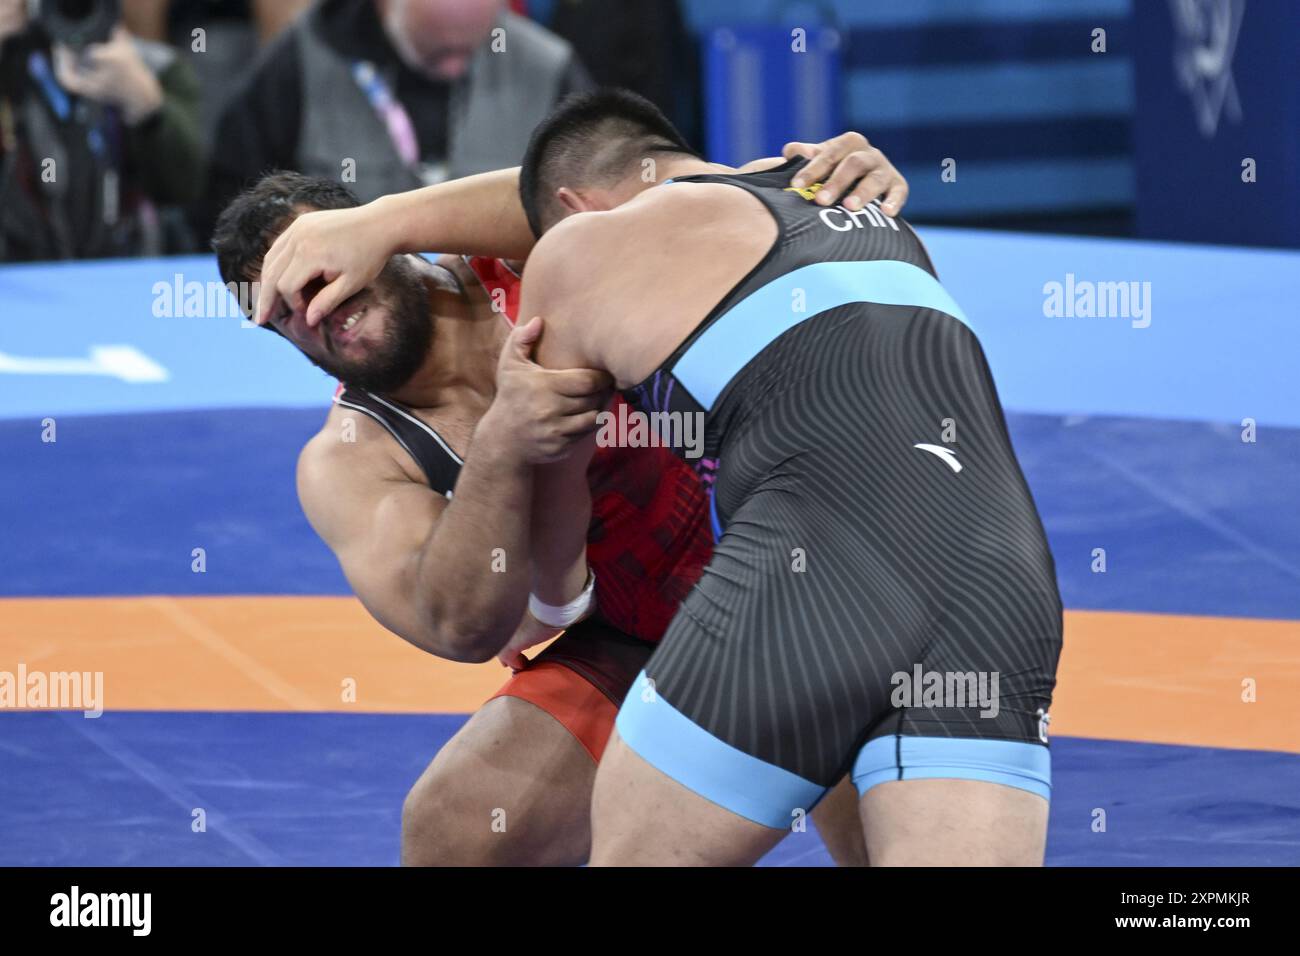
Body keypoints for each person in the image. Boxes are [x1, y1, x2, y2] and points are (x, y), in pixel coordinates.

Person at [220, 131, 907, 865]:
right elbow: (460, 626)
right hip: (641, 636)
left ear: (370, 242)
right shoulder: (353, 459)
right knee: (454, 831)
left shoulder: (519, 255)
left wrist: (385, 216)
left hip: (802, 564)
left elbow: (632, 189)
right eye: (280, 307)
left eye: (314, 267)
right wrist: (501, 446)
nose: (311, 305)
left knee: (870, 778)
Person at [508, 89, 1064, 866]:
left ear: (575, 209)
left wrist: (540, 610)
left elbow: (555, 539)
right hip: (1003, 582)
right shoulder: (848, 185)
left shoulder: (577, 250)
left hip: (818, 574)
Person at [203, 0, 593, 241]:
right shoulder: (300, 63)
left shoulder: (547, 66)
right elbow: (232, 204)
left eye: (470, 48)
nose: (456, 64)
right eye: (439, 50)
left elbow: (599, 196)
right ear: (386, 6)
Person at [0, 0, 204, 259]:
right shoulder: (10, 62)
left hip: (127, 268)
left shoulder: (157, 68)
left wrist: (148, 108)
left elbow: (188, 190)